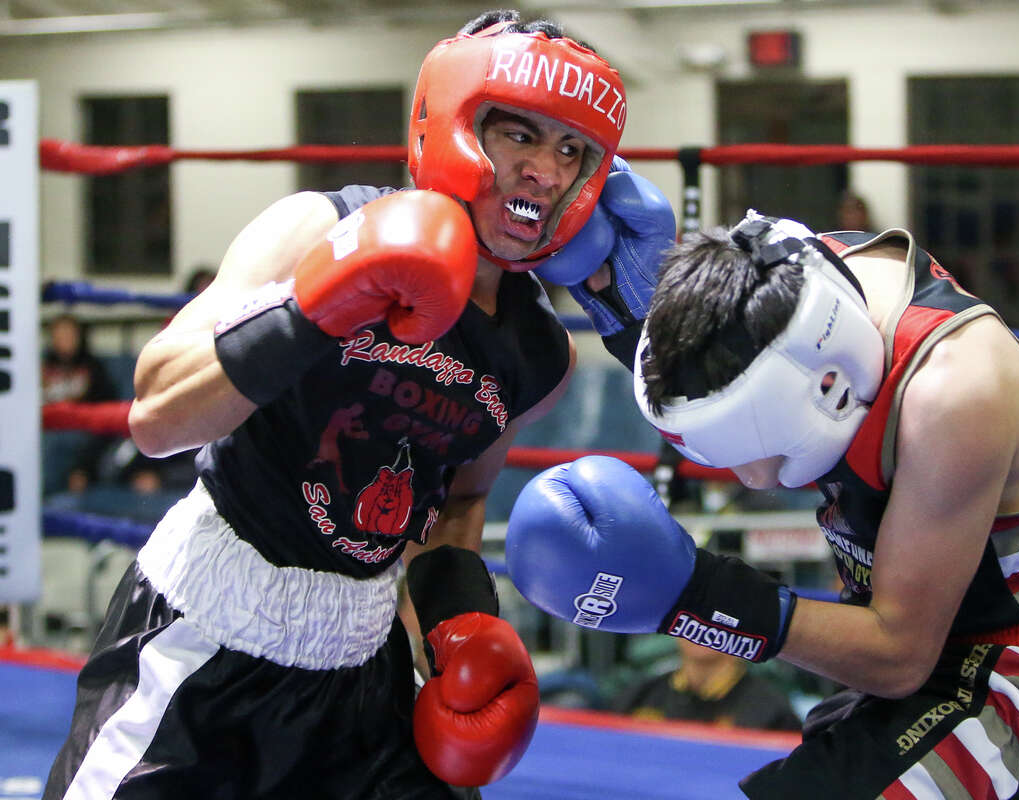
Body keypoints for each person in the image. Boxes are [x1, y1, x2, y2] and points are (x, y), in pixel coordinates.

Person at [43, 9, 674, 799]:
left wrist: (457, 621)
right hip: (204, 634)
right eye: (521, 136)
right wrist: (317, 308)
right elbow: (156, 415)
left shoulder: (538, 355)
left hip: (359, 661)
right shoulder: (317, 228)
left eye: (571, 150)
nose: (546, 172)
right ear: (452, 125)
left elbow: (458, 502)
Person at [505, 210, 1019, 798]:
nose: (750, 478)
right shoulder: (787, 286)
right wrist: (629, 311)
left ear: (831, 386)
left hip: (1016, 684)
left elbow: (900, 655)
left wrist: (694, 598)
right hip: (888, 660)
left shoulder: (954, 395)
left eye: (757, 444)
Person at [613, 637, 802, 732]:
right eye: (690, 615)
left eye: (714, 617)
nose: (700, 626)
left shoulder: (771, 710)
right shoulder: (640, 695)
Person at [41, 312, 120, 493]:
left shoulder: (94, 368)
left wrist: (83, 468)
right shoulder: (41, 366)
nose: (64, 340)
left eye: (69, 334)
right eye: (59, 334)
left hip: (81, 434)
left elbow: (107, 417)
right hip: (48, 432)